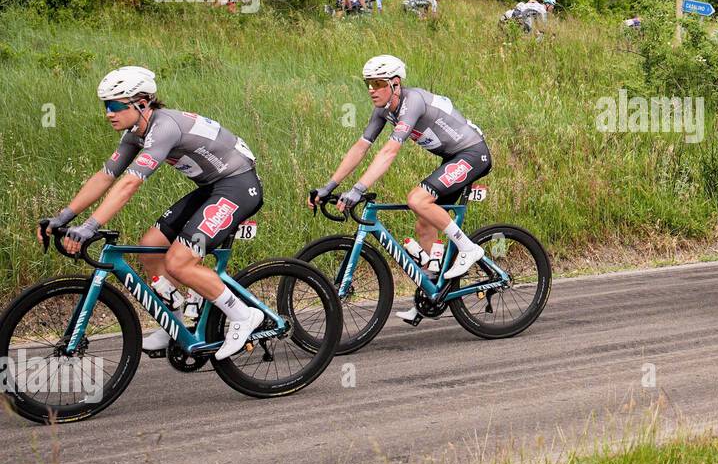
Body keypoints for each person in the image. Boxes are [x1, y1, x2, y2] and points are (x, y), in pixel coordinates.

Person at [40, 67, 265, 361]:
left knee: (179, 262)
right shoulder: (135, 133)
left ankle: (243, 316)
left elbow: (130, 183)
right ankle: (174, 322)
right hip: (213, 186)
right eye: (106, 105)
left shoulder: (164, 128)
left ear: (142, 103)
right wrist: (63, 217)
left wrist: (92, 224)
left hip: (238, 185)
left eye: (116, 105)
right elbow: (105, 176)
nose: (109, 113)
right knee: (150, 248)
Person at [312, 56, 491, 323]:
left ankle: (468, 249)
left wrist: (359, 188)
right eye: (368, 83)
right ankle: (433, 291)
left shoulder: (413, 102)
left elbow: (390, 150)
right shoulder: (384, 109)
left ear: (395, 84)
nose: (372, 89)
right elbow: (361, 148)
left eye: (377, 83)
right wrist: (329, 186)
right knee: (424, 225)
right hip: (452, 158)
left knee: (417, 198)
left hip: (472, 153)